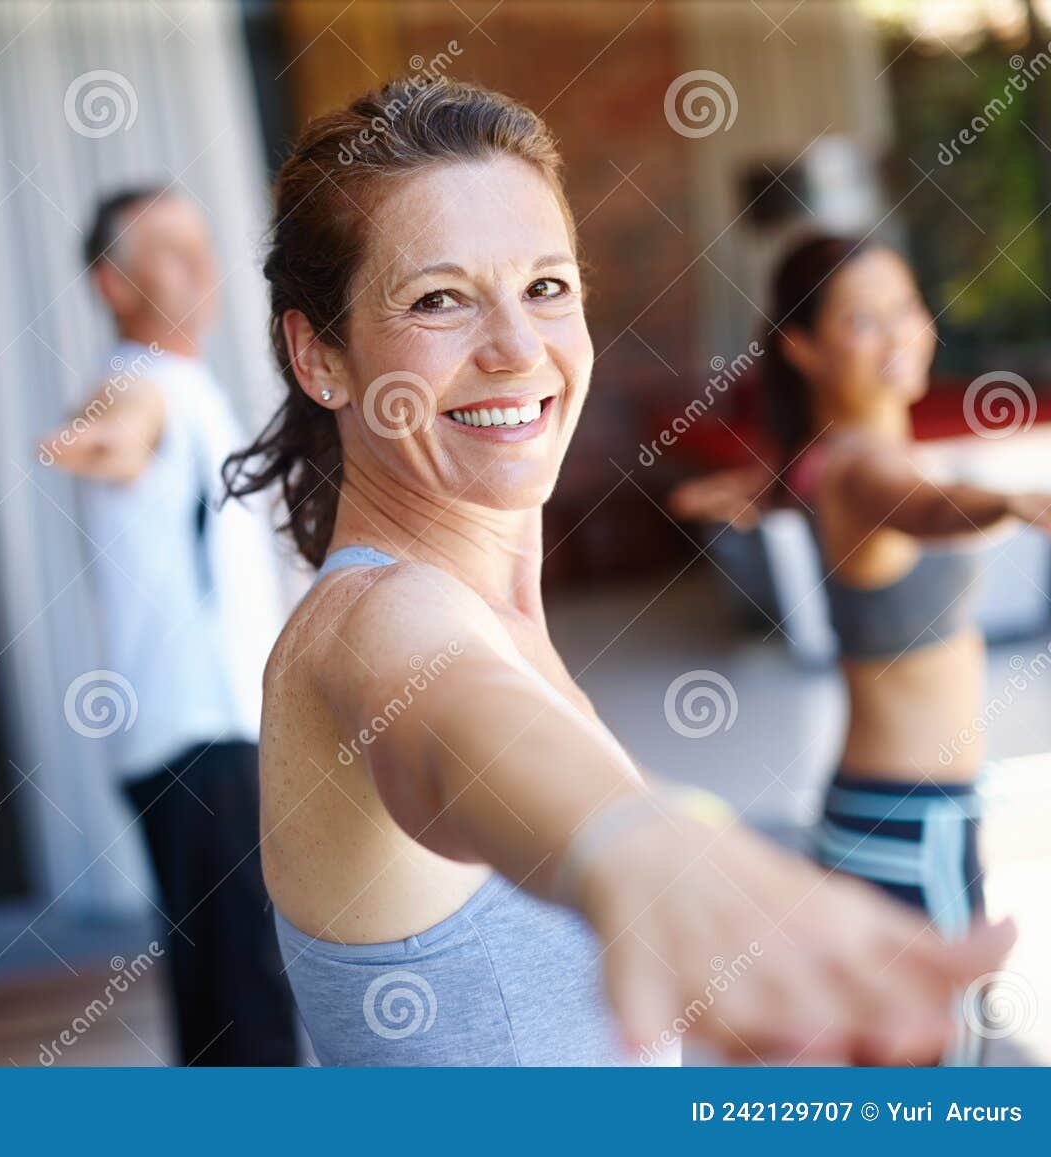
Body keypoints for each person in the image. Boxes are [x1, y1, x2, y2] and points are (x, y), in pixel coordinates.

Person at [222, 79, 1016, 1067]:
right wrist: (633, 841)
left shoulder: (496, 621)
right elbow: (450, 724)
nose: (516, 350)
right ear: (319, 355)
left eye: (546, 286)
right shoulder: (369, 622)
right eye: (438, 299)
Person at [672, 234, 1051, 1063]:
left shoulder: (819, 456)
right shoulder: (863, 470)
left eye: (905, 309)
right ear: (801, 346)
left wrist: (740, 490)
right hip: (914, 829)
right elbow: (924, 502)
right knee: (945, 1088)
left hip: (882, 814)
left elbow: (836, 479)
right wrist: (1013, 499)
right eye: (863, 321)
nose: (901, 334)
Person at [37, 187, 299, 1065]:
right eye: (168, 250)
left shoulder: (188, 384)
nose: (201, 266)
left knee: (225, 990)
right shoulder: (136, 385)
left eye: (202, 243)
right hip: (197, 739)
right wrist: (87, 442)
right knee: (245, 990)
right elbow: (117, 430)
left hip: (219, 735)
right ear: (113, 283)